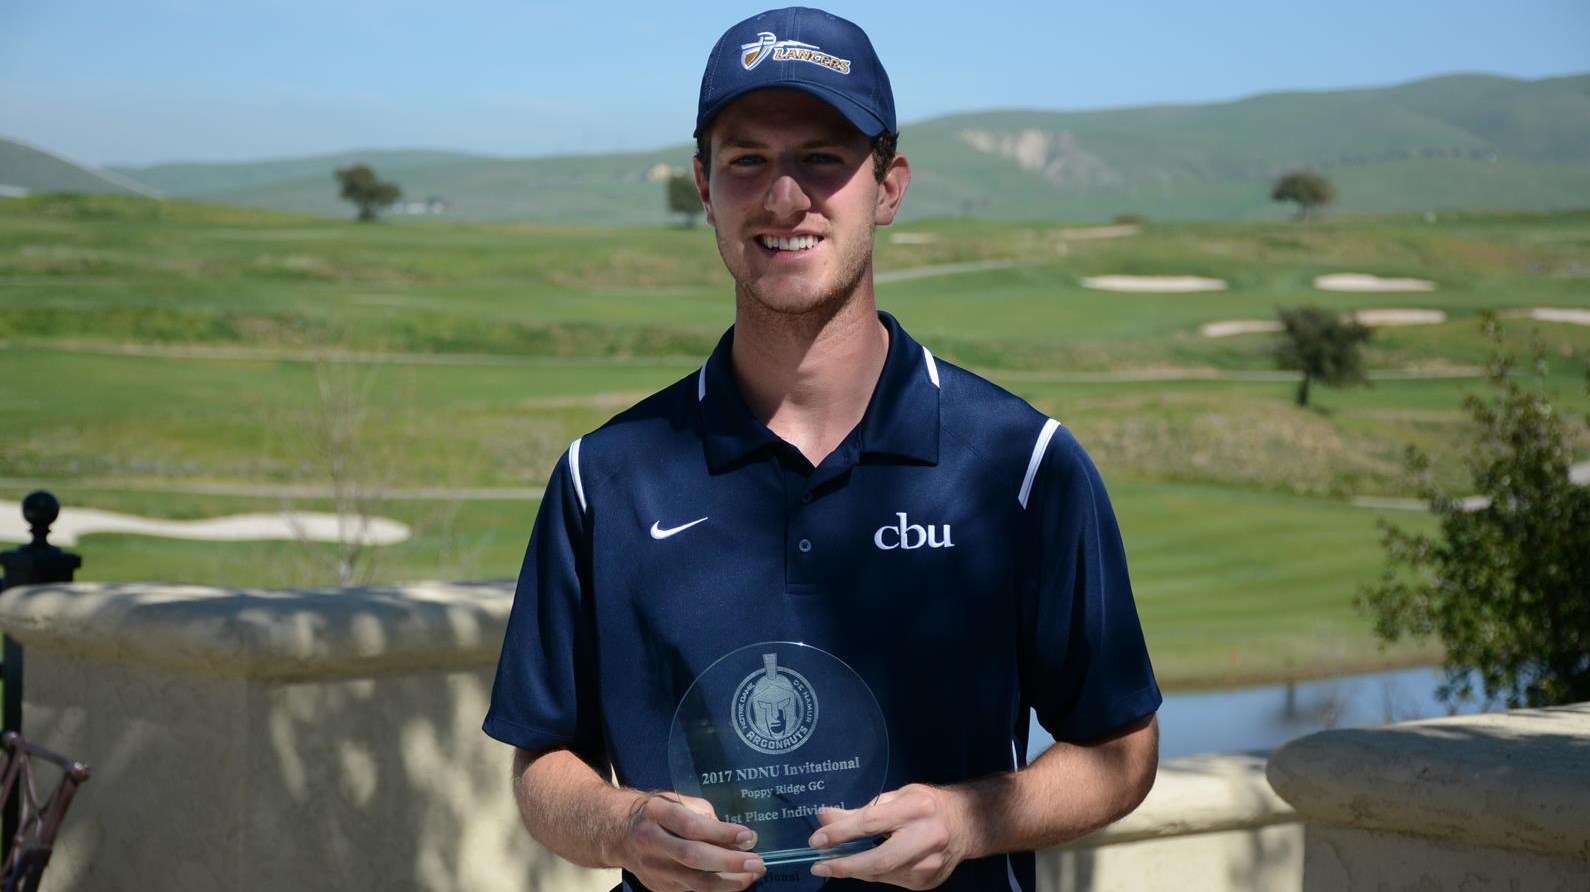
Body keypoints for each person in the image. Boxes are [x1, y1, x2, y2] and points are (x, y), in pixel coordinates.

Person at [484, 7, 1162, 891]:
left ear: (889, 187)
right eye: (747, 161)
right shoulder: (604, 477)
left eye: (822, 159)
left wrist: (969, 819)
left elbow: (1121, 748)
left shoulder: (1022, 465)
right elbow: (543, 765)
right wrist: (624, 828)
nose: (783, 197)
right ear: (704, 186)